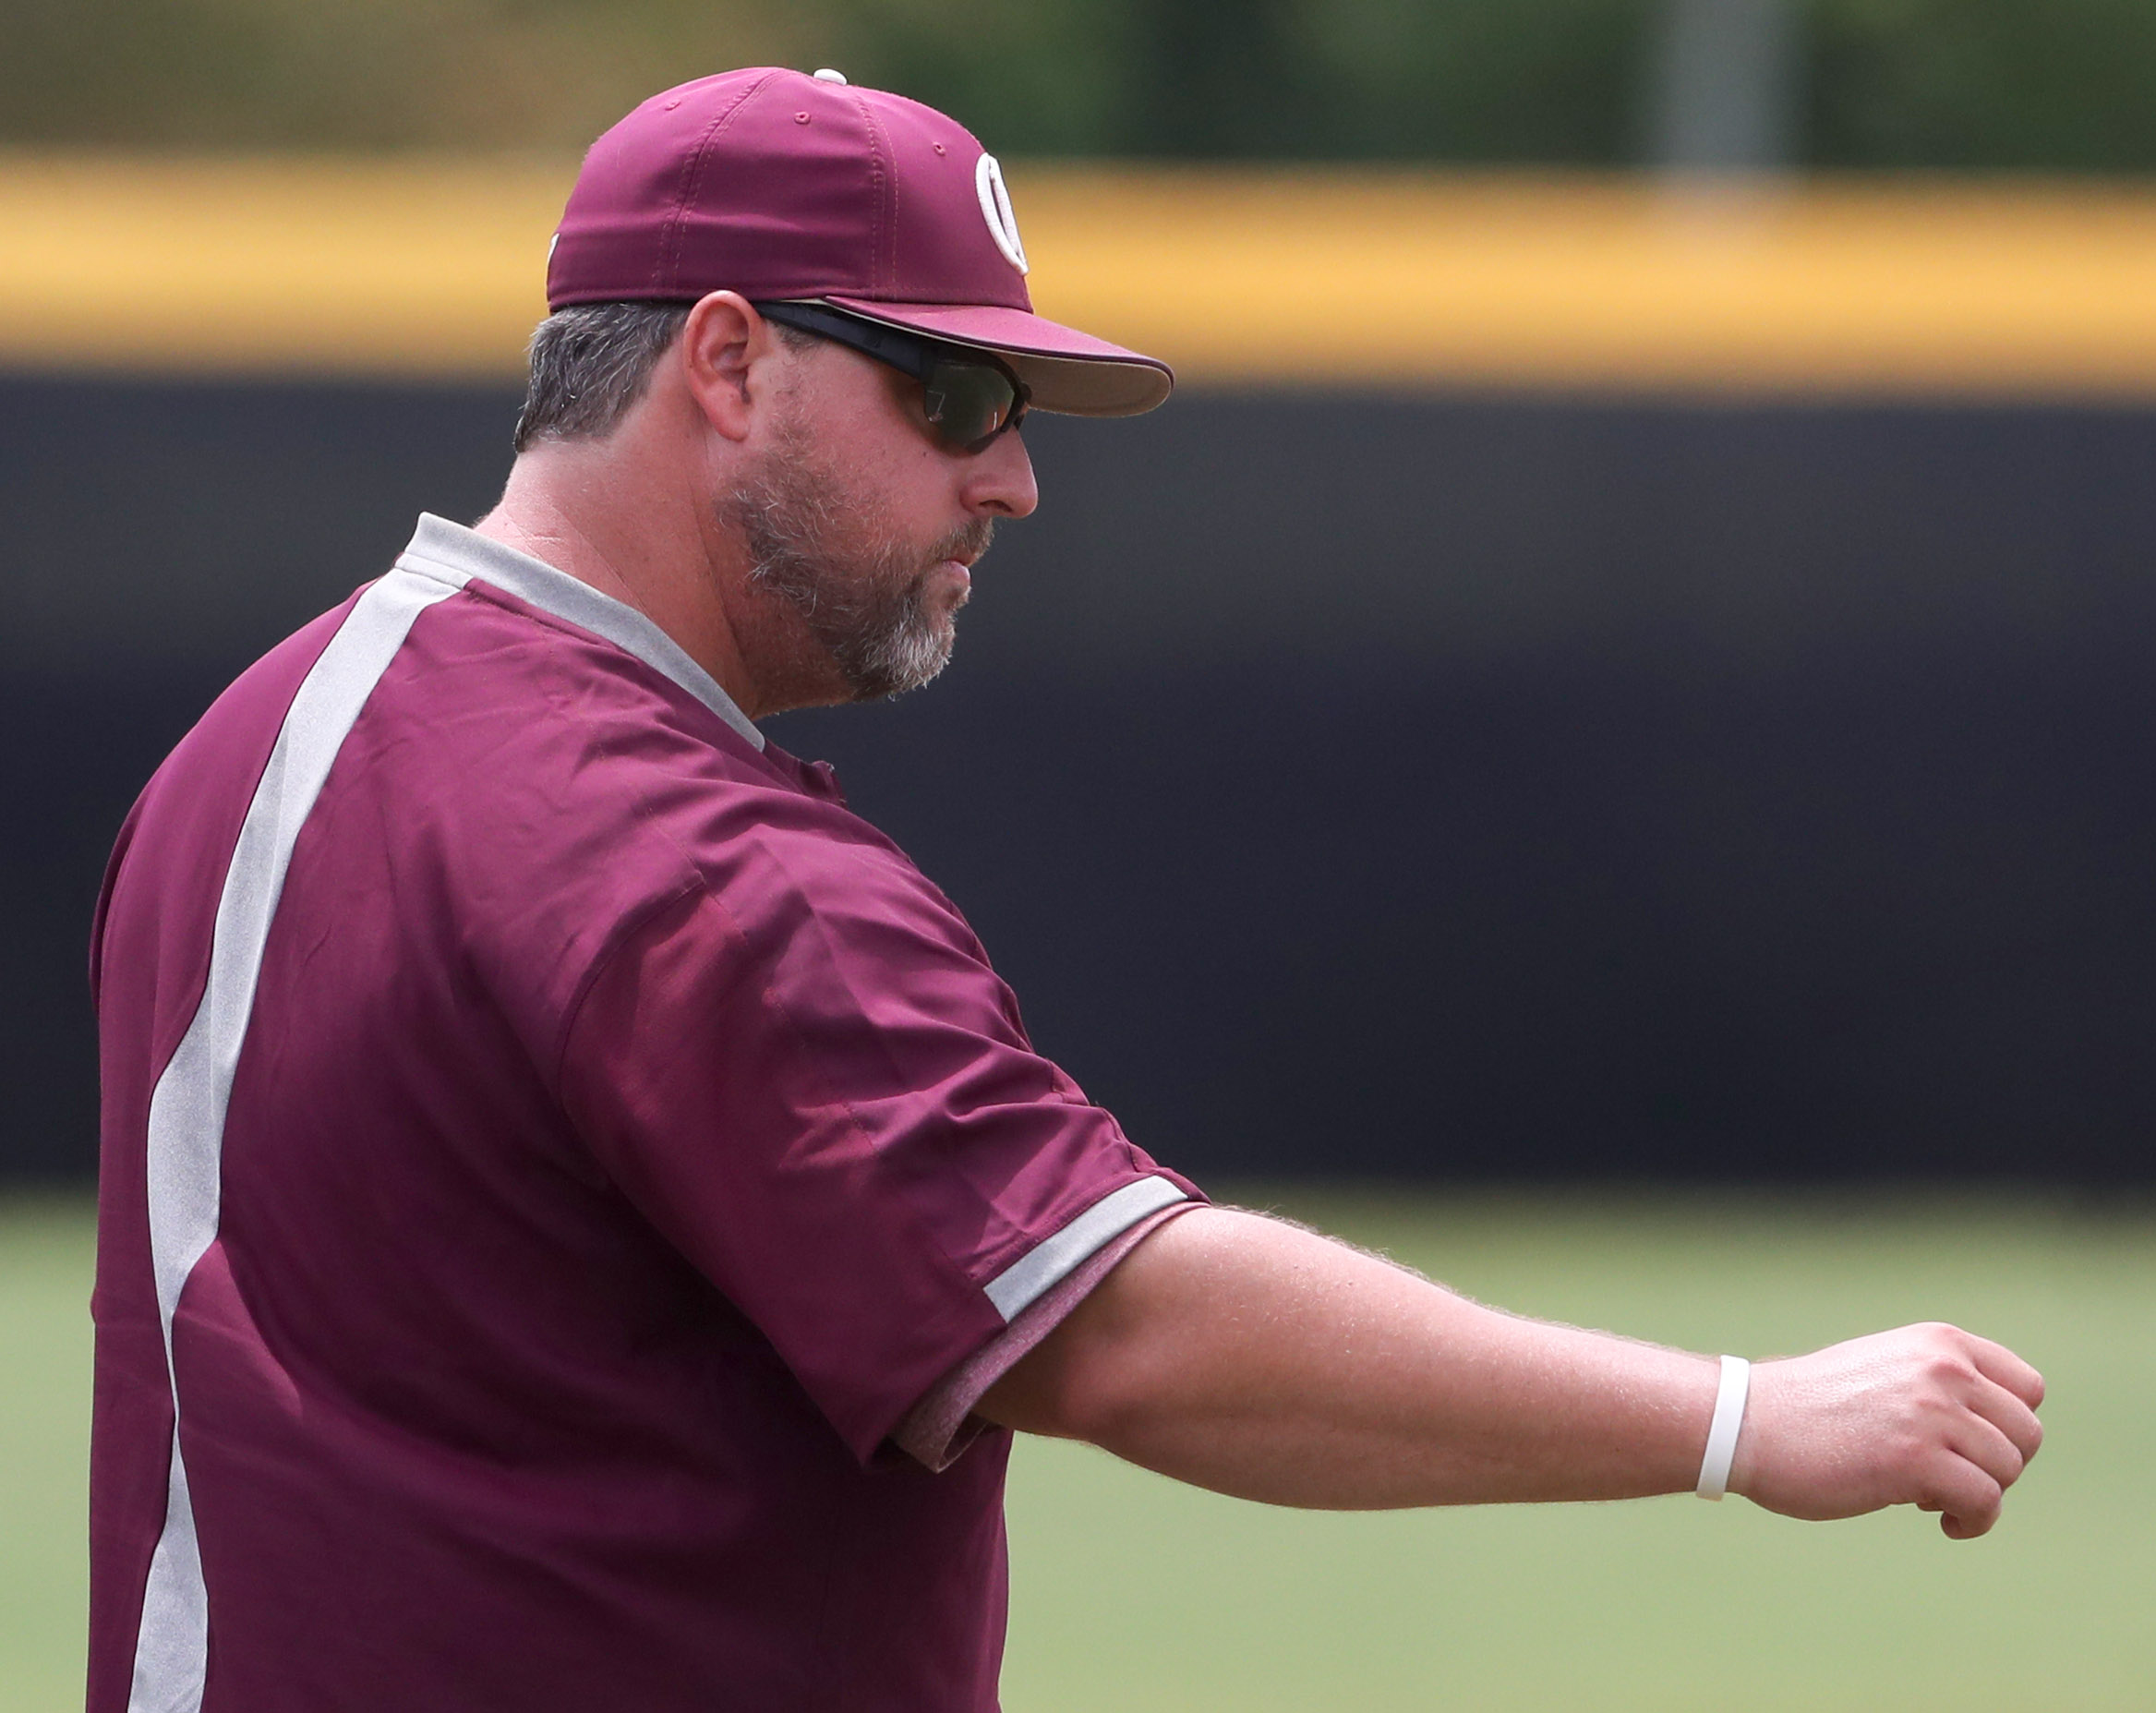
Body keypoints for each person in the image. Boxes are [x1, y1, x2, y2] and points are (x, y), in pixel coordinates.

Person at [89, 67, 2043, 1713]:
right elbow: (1115, 1326)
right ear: (727, 361)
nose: (1010, 479)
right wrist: (1736, 1417)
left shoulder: (272, 727)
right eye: (953, 395)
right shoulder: (669, 854)